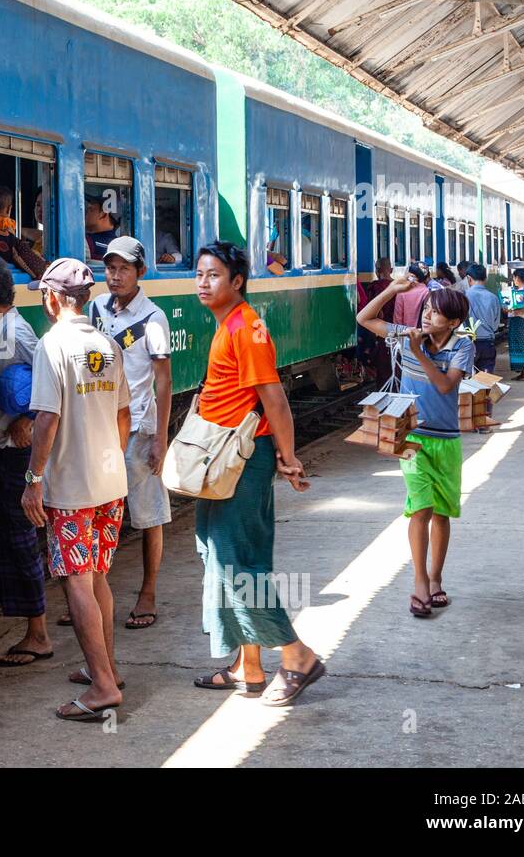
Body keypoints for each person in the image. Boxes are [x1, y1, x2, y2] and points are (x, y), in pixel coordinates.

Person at [187, 242, 323, 706]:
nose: (203, 283)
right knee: (220, 550)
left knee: (236, 563)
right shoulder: (229, 325)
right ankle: (249, 665)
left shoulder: (247, 328)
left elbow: (275, 398)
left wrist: (288, 458)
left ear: (237, 281)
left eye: (213, 275)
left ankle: (297, 655)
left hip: (241, 460)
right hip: (224, 460)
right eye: (199, 274)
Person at [20, 257, 130, 721]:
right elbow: (124, 415)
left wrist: (33, 479)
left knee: (77, 581)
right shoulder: (107, 344)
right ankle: (106, 669)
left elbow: (47, 418)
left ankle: (103, 687)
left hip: (70, 487)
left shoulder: (52, 346)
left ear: (51, 298)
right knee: (99, 576)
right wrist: (108, 456)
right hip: (110, 482)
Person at [359, 277, 474, 619]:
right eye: (426, 309)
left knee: (441, 512)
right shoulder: (406, 334)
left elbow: (444, 385)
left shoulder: (461, 346)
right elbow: (365, 318)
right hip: (413, 438)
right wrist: (393, 291)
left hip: (447, 440)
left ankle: (437, 580)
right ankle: (420, 582)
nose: (426, 316)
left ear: (453, 323)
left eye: (435, 314)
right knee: (420, 508)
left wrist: (415, 353)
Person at [0, 255, 52, 668]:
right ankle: (20, 617)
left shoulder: (16, 333)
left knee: (20, 539)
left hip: (13, 450)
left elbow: (52, 381)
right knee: (0, 533)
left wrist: (26, 418)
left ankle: (38, 634)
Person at [87, 237, 172, 631]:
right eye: (110, 268)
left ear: (141, 272)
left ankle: (148, 592)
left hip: (138, 427)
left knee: (147, 514)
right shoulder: (96, 308)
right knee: (95, 510)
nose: (115, 276)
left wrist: (161, 439)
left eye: (123, 268)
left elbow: (163, 382)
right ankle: (87, 594)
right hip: (101, 427)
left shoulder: (153, 319)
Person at [464, 263, 501, 429]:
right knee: (486, 382)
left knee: (469, 382)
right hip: (487, 343)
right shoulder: (493, 297)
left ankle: (468, 420)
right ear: (485, 279)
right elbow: (495, 325)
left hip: (468, 344)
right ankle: (484, 421)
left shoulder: (464, 296)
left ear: (469, 279)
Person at [0, 184, 46, 277]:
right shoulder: (11, 237)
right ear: (9, 209)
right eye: (38, 205)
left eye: (45, 205)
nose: (40, 209)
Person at [359, 258, 396, 384]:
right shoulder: (397, 287)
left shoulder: (375, 287)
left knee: (383, 365)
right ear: (391, 270)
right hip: (397, 330)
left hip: (381, 330)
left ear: (377, 270)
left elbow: (376, 313)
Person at [393, 262, 430, 326]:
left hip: (405, 333)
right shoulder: (428, 292)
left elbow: (397, 319)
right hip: (422, 333)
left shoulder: (401, 293)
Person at [84, 193, 118, 261]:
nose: (85, 213)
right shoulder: (120, 244)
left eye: (90, 209)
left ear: (103, 214)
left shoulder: (87, 242)